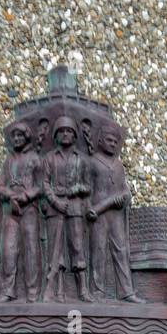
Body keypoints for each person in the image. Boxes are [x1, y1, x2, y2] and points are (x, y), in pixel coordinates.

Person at [42, 116, 92, 302]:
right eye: (61, 131)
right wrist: (55, 202)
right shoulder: (49, 158)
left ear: (74, 135)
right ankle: (58, 291)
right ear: (56, 135)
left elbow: (88, 187)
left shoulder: (82, 160)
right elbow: (45, 183)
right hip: (55, 209)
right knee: (56, 250)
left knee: (77, 248)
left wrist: (77, 188)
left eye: (69, 131)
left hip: (75, 209)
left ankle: (83, 290)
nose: (65, 134)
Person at [87, 123, 139, 302]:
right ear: (100, 141)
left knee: (121, 250)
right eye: (109, 140)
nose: (112, 144)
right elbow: (86, 189)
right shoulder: (92, 162)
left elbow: (124, 188)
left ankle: (127, 291)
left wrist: (126, 196)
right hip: (98, 214)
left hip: (115, 213)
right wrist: (90, 208)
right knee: (98, 251)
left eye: (115, 141)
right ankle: (97, 291)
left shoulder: (118, 165)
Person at [0, 120, 42, 301]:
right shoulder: (9, 160)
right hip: (11, 211)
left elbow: (41, 186)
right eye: (14, 136)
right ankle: (8, 290)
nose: (17, 139)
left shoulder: (35, 159)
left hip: (29, 209)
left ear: (27, 137)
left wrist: (27, 196)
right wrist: (10, 195)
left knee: (31, 250)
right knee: (9, 250)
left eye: (20, 135)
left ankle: (32, 290)